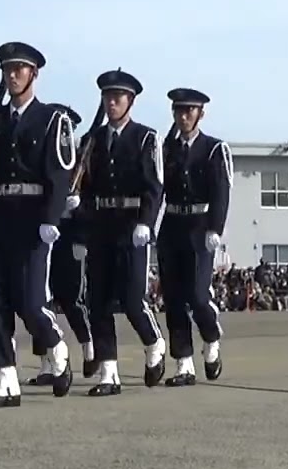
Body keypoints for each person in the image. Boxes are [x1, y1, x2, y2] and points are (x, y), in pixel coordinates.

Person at [0, 41, 75, 409]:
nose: (12, 76)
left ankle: (55, 345)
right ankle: (6, 380)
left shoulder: (52, 119)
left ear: (33, 74)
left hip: (32, 219)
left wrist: (51, 218)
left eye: (18, 69)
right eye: (7, 70)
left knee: (29, 303)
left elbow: (60, 172)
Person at [73, 69, 166, 396]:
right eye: (107, 97)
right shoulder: (92, 140)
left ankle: (153, 343)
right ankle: (109, 373)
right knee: (97, 301)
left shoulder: (146, 138)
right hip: (101, 225)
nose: (111, 103)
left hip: (131, 225)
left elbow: (154, 186)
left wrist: (146, 222)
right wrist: (80, 230)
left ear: (131, 101)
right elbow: (84, 188)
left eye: (118, 97)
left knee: (131, 299)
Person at [156, 88, 230, 384]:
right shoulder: (166, 149)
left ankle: (211, 337)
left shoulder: (213, 148)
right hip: (172, 224)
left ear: (201, 114)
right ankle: (183, 363)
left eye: (189, 111)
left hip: (200, 226)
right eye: (178, 111)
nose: (183, 116)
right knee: (173, 298)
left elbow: (222, 190)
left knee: (198, 296)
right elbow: (156, 187)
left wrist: (215, 228)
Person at [29, 103, 95, 383]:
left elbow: (95, 199)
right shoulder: (45, 155)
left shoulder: (84, 158)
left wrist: (81, 226)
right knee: (40, 300)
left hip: (71, 233)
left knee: (71, 298)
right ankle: (47, 363)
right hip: (45, 231)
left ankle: (89, 347)